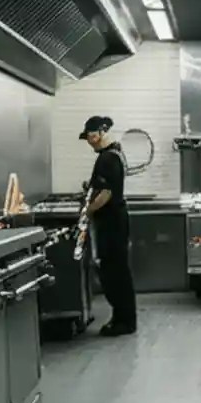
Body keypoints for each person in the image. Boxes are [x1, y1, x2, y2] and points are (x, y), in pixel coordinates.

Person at [80, 115, 137, 336]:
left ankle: (123, 321)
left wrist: (89, 210)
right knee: (118, 270)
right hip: (116, 221)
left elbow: (106, 192)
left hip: (112, 223)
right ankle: (124, 318)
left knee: (114, 272)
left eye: (92, 137)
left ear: (102, 133)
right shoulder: (115, 153)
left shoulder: (107, 159)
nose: (90, 142)